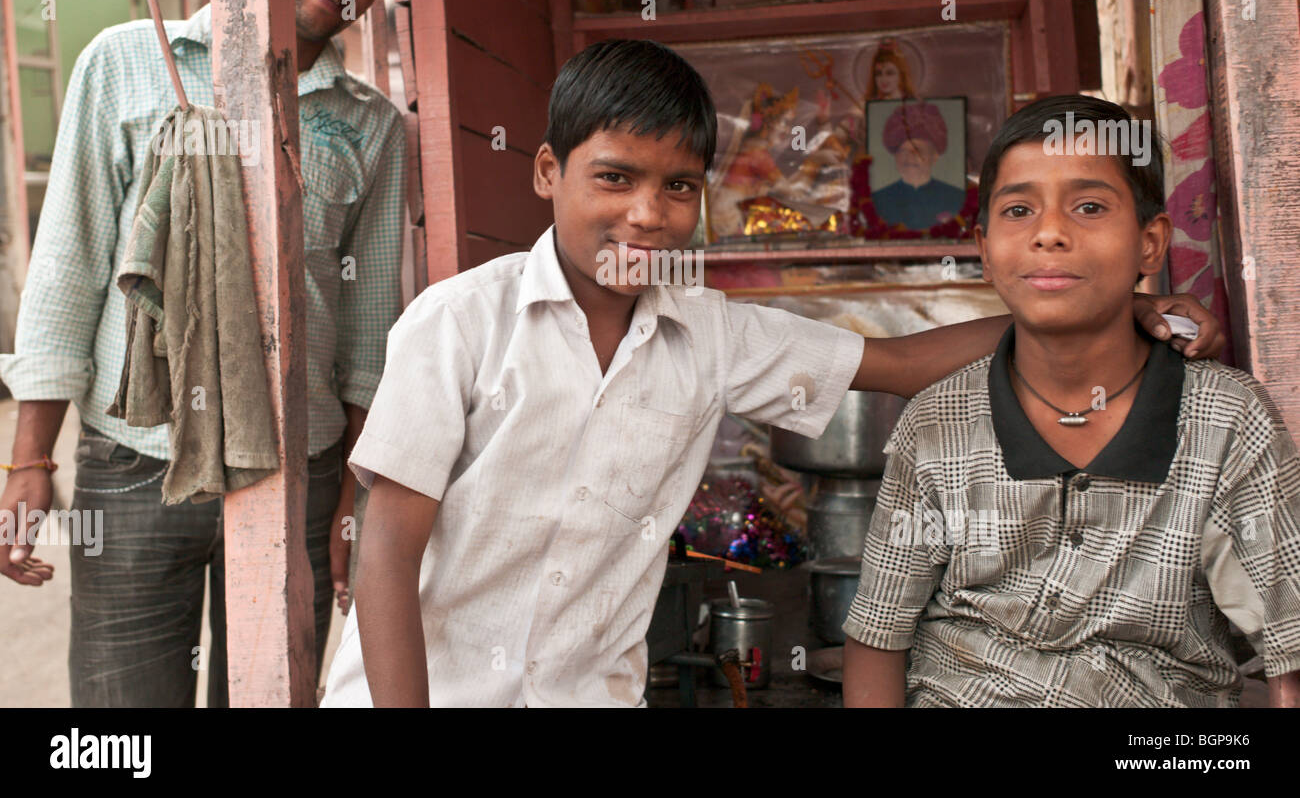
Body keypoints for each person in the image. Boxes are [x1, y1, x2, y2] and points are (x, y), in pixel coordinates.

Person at [321, 47, 1223, 708]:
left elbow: (903, 365)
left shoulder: (706, 332)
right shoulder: (459, 323)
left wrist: (1111, 313)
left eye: (679, 187)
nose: (647, 214)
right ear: (550, 172)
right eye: (615, 177)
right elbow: (387, 554)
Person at [0, 0, 423, 707]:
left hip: (298, 468)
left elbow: (371, 320)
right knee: (123, 718)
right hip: (134, 454)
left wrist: (350, 500)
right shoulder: (125, 62)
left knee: (271, 694)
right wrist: (30, 458)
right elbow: (70, 263)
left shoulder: (374, 127)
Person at [842, 94, 1300, 708]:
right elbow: (878, 639)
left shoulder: (1224, 420)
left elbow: (1287, 647)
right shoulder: (936, 423)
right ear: (983, 248)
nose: (1050, 233)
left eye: (1089, 206)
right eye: (1019, 209)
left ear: (1150, 242)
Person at [870, 100, 966, 229]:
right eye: (903, 151)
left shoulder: (957, 198)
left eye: (918, 151)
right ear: (896, 156)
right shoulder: (877, 201)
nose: (909, 158)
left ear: (934, 156)